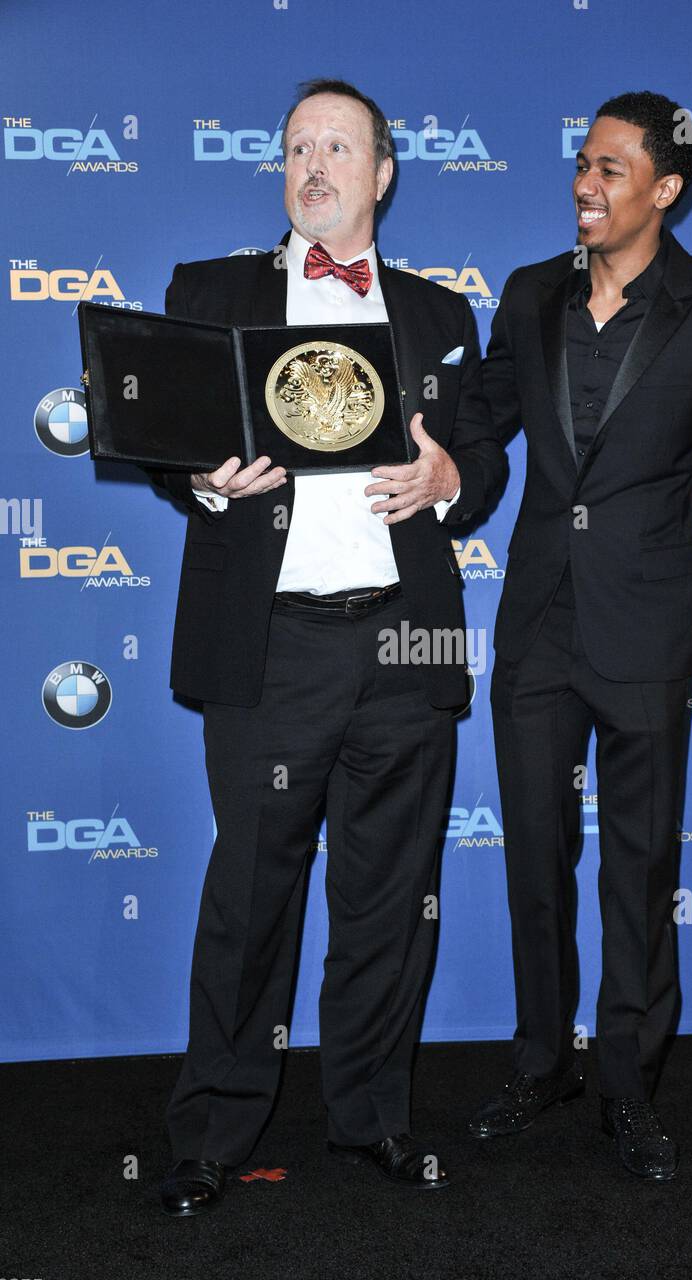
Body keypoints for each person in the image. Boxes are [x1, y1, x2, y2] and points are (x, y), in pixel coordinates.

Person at [143, 78, 506, 1213]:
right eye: (298, 146)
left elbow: (485, 456)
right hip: (270, 647)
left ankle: (373, 1119)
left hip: (402, 641)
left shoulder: (442, 313)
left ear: (381, 174)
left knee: (390, 899)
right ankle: (211, 1131)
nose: (314, 164)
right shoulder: (207, 291)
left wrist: (451, 476)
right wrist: (199, 475)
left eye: (338, 147)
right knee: (249, 897)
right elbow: (155, 430)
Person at [471, 91, 692, 1180]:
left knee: (639, 867)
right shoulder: (526, 296)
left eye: (607, 168)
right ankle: (540, 1059)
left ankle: (627, 1084)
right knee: (535, 862)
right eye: (579, 164)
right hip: (538, 622)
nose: (582, 184)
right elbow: (476, 432)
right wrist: (422, 456)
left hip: (651, 627)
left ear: (664, 189)